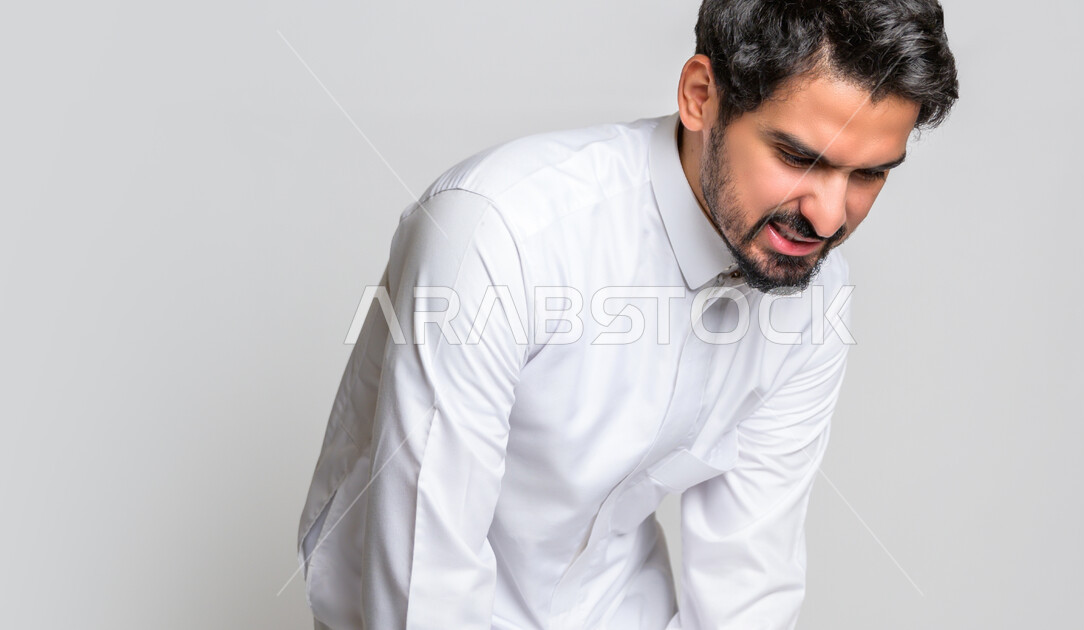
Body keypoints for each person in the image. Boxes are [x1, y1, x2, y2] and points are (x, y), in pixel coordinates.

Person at [296, 1, 958, 628]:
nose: (829, 217)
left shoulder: (815, 290)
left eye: (869, 174)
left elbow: (747, 585)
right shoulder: (499, 233)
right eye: (797, 157)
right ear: (701, 96)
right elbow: (425, 583)